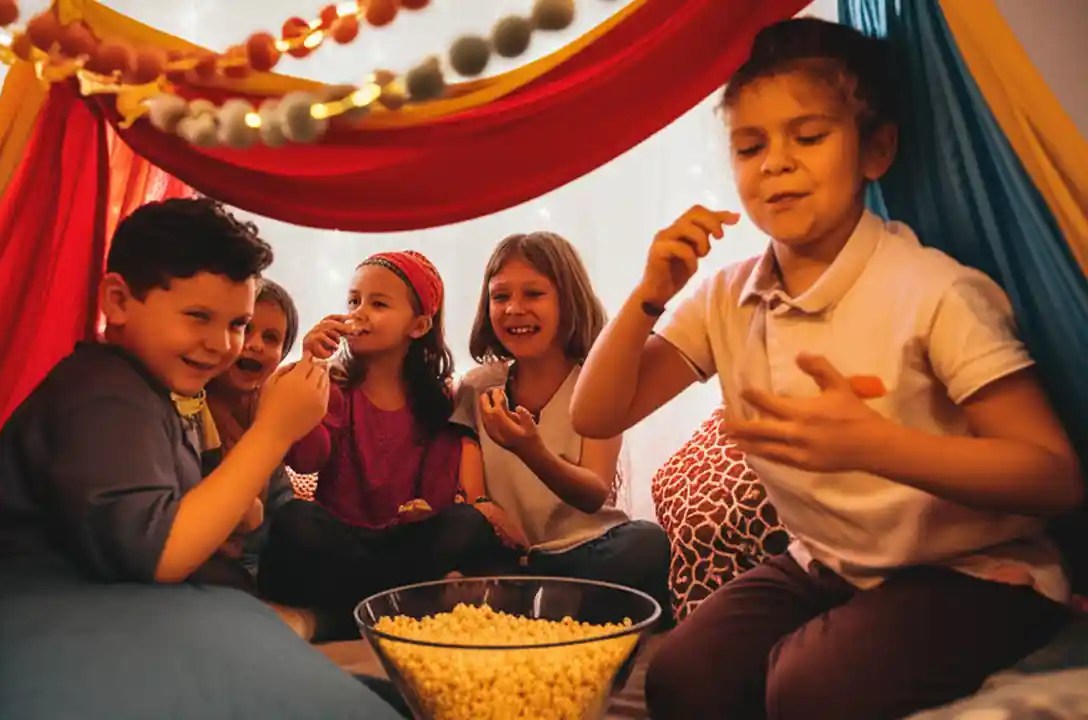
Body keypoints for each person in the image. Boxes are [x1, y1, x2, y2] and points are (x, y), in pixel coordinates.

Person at [570, 18, 1082, 720]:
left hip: (974, 572)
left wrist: (877, 447)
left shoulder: (936, 292)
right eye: (750, 146)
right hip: (829, 562)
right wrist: (648, 295)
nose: (775, 162)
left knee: (808, 690)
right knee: (682, 676)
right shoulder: (728, 296)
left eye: (808, 137)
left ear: (876, 150)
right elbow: (594, 415)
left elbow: (1053, 475)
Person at [0, 198, 330, 593]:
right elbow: (159, 555)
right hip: (53, 603)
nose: (222, 344)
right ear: (118, 301)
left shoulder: (155, 390)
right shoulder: (103, 396)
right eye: (198, 316)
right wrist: (274, 431)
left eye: (237, 324)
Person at [257, 250, 506, 636]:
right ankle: (400, 612)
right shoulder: (332, 385)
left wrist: (423, 513)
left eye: (378, 304)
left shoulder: (438, 400)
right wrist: (309, 364)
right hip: (340, 541)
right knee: (294, 520)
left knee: (468, 524)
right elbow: (306, 461)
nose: (359, 313)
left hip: (404, 544)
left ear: (419, 325)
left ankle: (338, 619)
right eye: (354, 301)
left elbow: (439, 491)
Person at [452, 231, 671, 614]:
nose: (513, 309)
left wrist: (530, 450)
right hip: (507, 558)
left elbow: (593, 493)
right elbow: (466, 489)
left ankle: (540, 604)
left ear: (569, 302)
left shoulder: (598, 384)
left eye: (533, 294)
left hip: (582, 551)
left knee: (646, 542)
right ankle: (541, 603)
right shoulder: (477, 387)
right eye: (500, 296)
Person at [206, 278, 301, 580]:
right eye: (245, 329)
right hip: (211, 565)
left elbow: (283, 508)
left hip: (266, 559)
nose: (256, 344)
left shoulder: (267, 408)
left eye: (271, 338)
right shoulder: (194, 408)